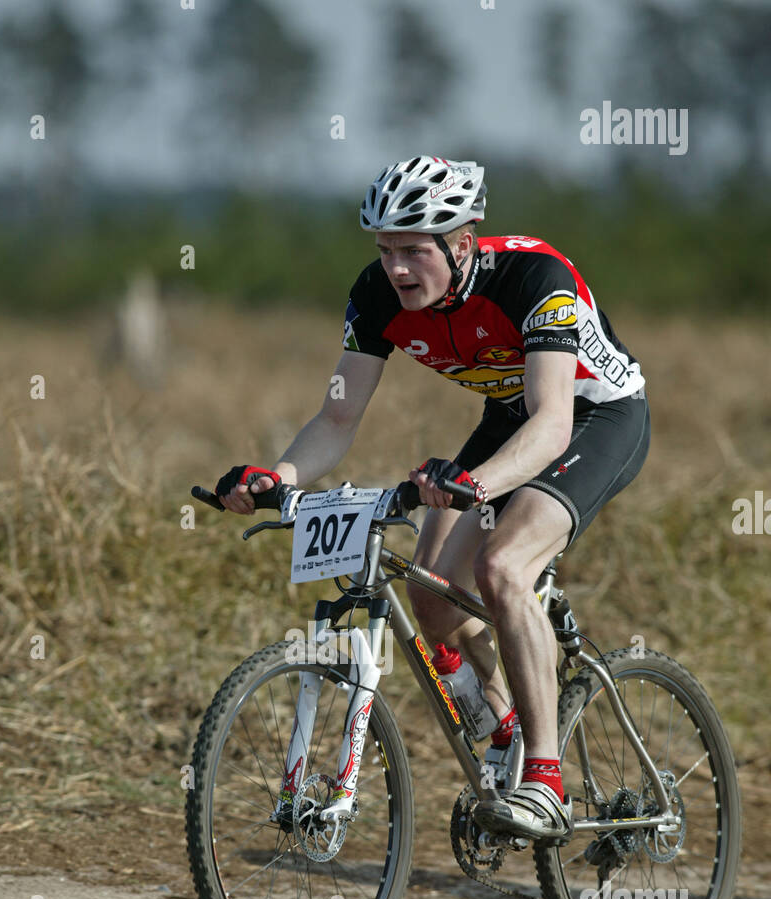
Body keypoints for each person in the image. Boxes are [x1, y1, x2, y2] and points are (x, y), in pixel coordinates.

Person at [215, 156, 650, 841]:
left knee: (503, 567)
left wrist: (478, 486)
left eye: (414, 250)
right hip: (512, 415)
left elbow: (554, 423)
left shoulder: (536, 279)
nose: (397, 269)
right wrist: (280, 477)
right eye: (386, 251)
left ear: (463, 240)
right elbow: (336, 418)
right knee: (429, 599)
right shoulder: (377, 297)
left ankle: (545, 780)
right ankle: (502, 725)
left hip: (593, 416)